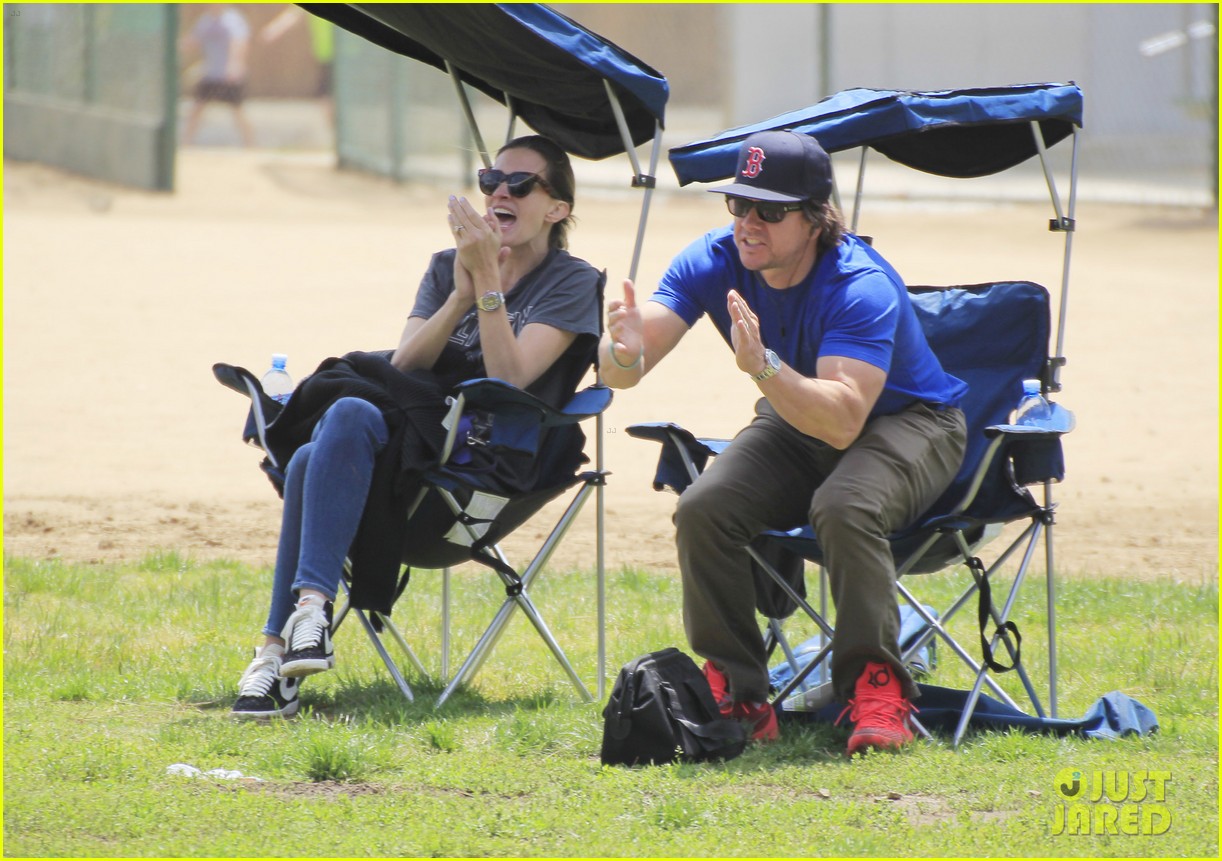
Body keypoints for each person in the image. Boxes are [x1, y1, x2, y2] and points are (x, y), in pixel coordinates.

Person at [599, 130, 967, 755]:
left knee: (844, 506)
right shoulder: (712, 258)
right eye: (737, 204)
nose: (747, 223)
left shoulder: (859, 283)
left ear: (817, 219)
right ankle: (740, 691)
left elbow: (846, 420)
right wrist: (621, 350)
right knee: (704, 507)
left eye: (769, 210)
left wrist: (766, 369)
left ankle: (876, 685)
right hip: (799, 416)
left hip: (910, 423)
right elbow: (624, 374)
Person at [232, 135, 602, 718]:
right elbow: (406, 367)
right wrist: (459, 295)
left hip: (474, 475)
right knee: (348, 413)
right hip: (408, 453)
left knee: (309, 459)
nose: (500, 192)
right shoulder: (445, 266)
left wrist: (487, 288)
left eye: (520, 184)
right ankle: (301, 624)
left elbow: (510, 381)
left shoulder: (572, 283)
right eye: (490, 181)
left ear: (558, 209)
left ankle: (278, 650)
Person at [181, 5, 256, 147]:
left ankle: (250, 145)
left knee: (238, 110)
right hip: (210, 73)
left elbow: (240, 42)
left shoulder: (233, 19)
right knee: (197, 108)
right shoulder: (205, 21)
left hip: (229, 75)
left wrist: (235, 64)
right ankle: (186, 143)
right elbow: (194, 40)